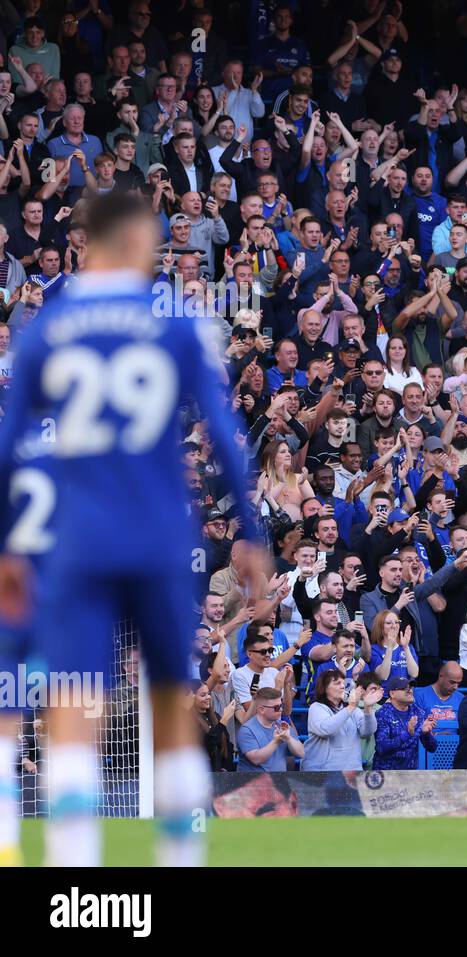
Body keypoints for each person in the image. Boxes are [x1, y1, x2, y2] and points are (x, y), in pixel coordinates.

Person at [0, 192, 261, 867]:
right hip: (157, 540)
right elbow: (226, 438)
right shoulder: (173, 323)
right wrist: (249, 529)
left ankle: (73, 879)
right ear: (134, 241)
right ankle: (177, 861)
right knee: (172, 705)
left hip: (77, 544)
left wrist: (6, 546)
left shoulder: (48, 329)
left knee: (74, 706)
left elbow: (9, 448)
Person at [302, 670, 382, 771]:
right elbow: (325, 730)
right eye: (337, 683)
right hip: (321, 773)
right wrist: (351, 706)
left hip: (351, 772)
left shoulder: (353, 710)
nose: (343, 686)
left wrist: (368, 708)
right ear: (324, 688)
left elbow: (367, 732)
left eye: (343, 683)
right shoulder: (316, 708)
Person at [373, 676, 440, 770]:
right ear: (392, 693)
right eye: (404, 688)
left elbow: (432, 748)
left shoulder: (418, 712)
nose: (410, 691)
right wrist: (407, 734)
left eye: (410, 688)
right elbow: (381, 747)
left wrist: (426, 733)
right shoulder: (383, 714)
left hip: (409, 774)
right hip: (386, 773)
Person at [236, 686, 305, 772]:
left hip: (278, 782)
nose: (281, 709)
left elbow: (302, 753)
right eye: (276, 707)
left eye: (281, 705)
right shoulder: (247, 730)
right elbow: (256, 759)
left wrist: (288, 738)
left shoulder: (283, 726)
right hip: (253, 784)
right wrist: (276, 741)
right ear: (262, 709)